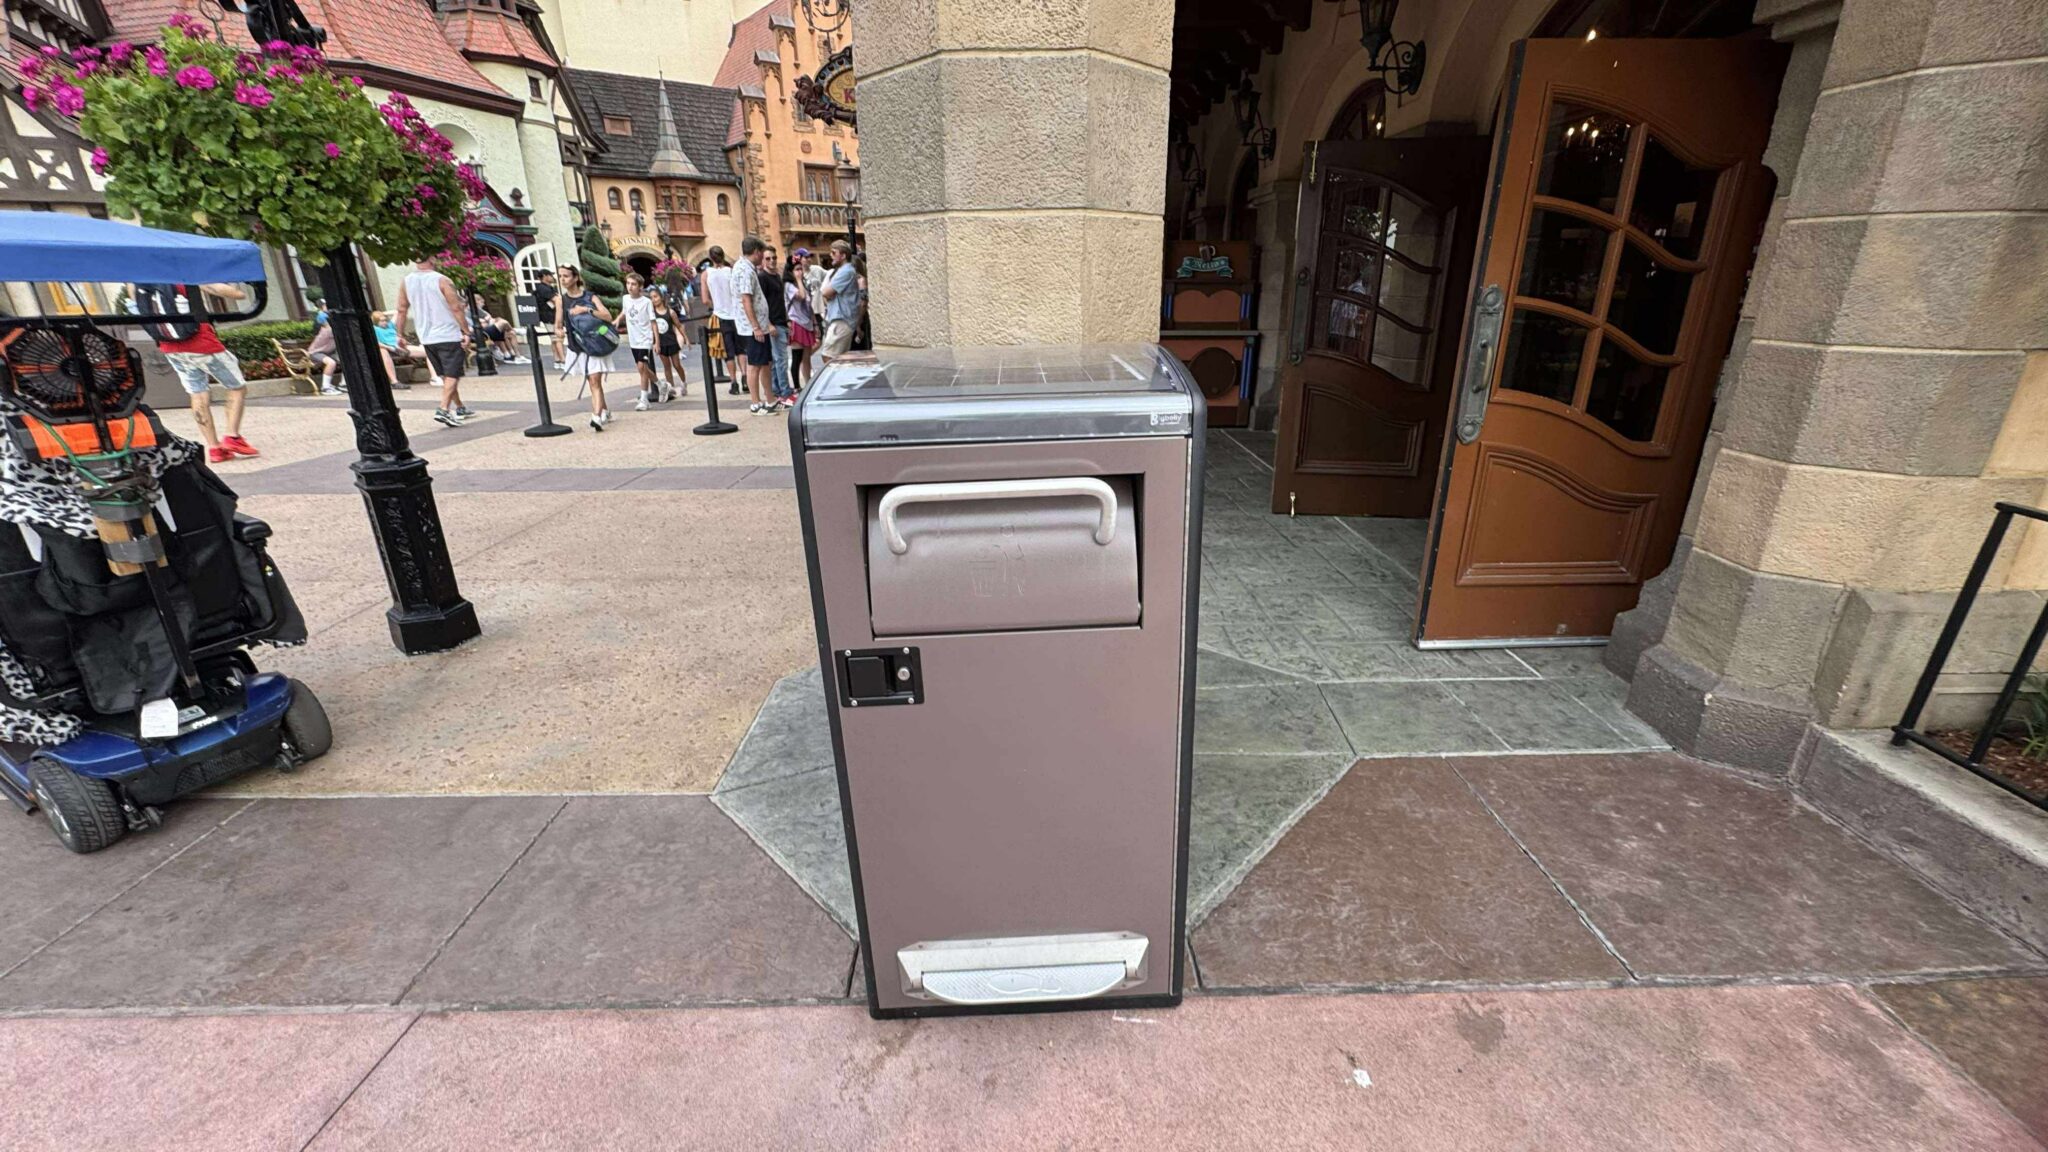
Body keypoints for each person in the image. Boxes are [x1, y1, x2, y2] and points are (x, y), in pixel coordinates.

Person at [136, 282, 260, 463]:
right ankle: (232, 436)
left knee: (197, 392)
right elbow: (234, 294)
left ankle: (214, 447)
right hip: (202, 344)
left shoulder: (142, 280)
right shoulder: (185, 275)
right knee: (237, 387)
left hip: (170, 347)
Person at [393, 258, 471, 428]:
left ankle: (460, 407)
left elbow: (401, 309)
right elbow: (456, 307)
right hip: (448, 333)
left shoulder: (407, 281)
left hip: (426, 335)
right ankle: (443, 409)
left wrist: (399, 333)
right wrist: (465, 331)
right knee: (453, 374)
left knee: (446, 374)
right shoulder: (442, 279)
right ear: (433, 258)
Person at [554, 265, 614, 431]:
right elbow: (558, 323)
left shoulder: (590, 296)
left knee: (595, 380)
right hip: (577, 345)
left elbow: (608, 316)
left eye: (566, 276)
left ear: (575, 277)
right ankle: (605, 410)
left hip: (595, 343)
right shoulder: (561, 300)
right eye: (560, 276)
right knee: (592, 381)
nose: (563, 279)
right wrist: (559, 331)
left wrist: (586, 309)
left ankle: (596, 416)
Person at [730, 236, 775, 414]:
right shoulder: (745, 270)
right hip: (752, 328)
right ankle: (756, 403)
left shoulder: (744, 267)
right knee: (754, 364)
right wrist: (755, 326)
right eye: (762, 253)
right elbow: (746, 299)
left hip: (758, 325)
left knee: (764, 363)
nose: (763, 257)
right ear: (756, 252)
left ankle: (770, 399)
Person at [702, 246, 742, 396]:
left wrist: (715, 305)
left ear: (711, 258)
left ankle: (734, 382)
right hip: (736, 315)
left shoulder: (706, 274)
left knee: (728, 352)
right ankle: (744, 376)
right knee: (741, 350)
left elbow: (705, 300)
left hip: (720, 315)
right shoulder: (730, 271)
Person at [758, 245, 793, 405]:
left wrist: (787, 320)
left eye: (773, 257)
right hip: (773, 323)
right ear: (763, 260)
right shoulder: (763, 277)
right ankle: (784, 392)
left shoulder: (777, 276)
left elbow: (781, 301)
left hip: (781, 321)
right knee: (781, 359)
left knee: (777, 359)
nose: (772, 261)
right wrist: (769, 324)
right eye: (768, 258)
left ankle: (779, 390)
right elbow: (761, 303)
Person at [817, 239, 860, 367]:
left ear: (843, 255)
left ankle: (837, 384)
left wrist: (829, 293)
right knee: (838, 357)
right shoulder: (843, 271)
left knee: (829, 355)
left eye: (833, 252)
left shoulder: (846, 271)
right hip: (840, 318)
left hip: (842, 320)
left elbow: (826, 292)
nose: (831, 255)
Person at [622, 274, 661, 411]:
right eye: (628, 283)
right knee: (641, 368)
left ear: (640, 287)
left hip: (645, 339)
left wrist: (656, 341)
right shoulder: (625, 299)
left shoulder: (646, 302)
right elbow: (625, 312)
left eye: (633, 284)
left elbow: (653, 322)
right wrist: (616, 321)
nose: (630, 287)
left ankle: (644, 399)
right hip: (633, 339)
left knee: (642, 367)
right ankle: (661, 384)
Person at [785, 250, 818, 391]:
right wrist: (798, 280)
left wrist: (815, 323)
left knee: (807, 357)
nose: (800, 271)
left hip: (807, 322)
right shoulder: (789, 285)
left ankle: (808, 383)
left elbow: (809, 304)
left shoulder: (803, 283)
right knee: (797, 356)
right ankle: (797, 387)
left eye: (800, 269)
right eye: (797, 269)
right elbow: (802, 297)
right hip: (796, 322)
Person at [652, 289, 687, 398]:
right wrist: (654, 343)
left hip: (671, 342)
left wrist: (686, 338)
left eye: (656, 296)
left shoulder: (670, 312)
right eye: (652, 298)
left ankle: (683, 382)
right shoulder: (652, 314)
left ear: (661, 298)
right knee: (666, 366)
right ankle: (671, 387)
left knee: (676, 365)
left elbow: (678, 325)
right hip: (661, 343)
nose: (654, 300)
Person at [370, 310, 415, 390]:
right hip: (388, 348)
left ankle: (435, 377)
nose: (384, 322)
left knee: (425, 350)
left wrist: (383, 314)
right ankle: (394, 382)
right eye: (381, 321)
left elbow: (397, 312)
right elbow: (376, 342)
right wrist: (390, 348)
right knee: (382, 350)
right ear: (376, 321)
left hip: (399, 347)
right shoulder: (375, 329)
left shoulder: (390, 325)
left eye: (385, 320)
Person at [530, 269, 563, 366]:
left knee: (554, 338)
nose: (552, 277)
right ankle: (563, 359)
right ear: (544, 276)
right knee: (557, 338)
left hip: (550, 315)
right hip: (550, 315)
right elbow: (556, 300)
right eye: (550, 275)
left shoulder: (548, 288)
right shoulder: (543, 288)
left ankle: (557, 360)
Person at [305, 313, 344, 395]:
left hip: (327, 353)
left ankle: (343, 384)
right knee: (331, 363)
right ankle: (325, 387)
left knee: (346, 360)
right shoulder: (328, 330)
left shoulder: (328, 329)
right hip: (315, 353)